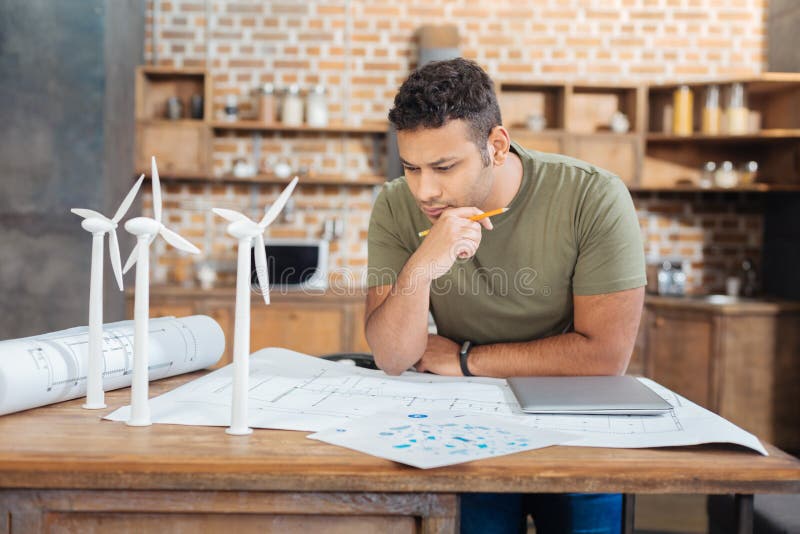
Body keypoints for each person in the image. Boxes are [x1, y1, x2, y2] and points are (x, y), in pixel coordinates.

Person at [364, 58, 646, 534]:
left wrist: (469, 360)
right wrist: (424, 264)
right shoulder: (396, 203)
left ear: (496, 146)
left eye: (444, 167)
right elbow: (393, 356)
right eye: (411, 168)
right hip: (465, 424)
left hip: (575, 416)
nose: (424, 190)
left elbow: (605, 355)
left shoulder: (593, 196)